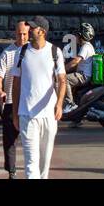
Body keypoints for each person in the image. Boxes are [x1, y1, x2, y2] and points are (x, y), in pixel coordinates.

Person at [12, 15, 66, 180]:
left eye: (32, 28)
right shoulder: (21, 52)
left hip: (48, 116)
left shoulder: (54, 52)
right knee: (31, 164)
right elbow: (16, 85)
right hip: (27, 116)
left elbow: (62, 81)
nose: (28, 30)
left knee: (44, 165)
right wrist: (15, 113)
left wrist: (59, 104)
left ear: (42, 31)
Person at [0, 19, 30, 179]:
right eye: (19, 34)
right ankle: (12, 171)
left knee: (31, 140)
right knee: (10, 141)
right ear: (15, 34)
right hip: (10, 103)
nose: (21, 37)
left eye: (25, 34)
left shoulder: (34, 51)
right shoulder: (8, 53)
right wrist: (0, 91)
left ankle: (32, 170)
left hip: (29, 104)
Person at [64, 21, 96, 106]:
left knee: (64, 79)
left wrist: (63, 69)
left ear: (81, 36)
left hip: (83, 76)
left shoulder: (85, 47)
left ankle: (70, 104)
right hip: (83, 75)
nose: (75, 37)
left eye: (77, 35)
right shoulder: (88, 46)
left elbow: (75, 61)